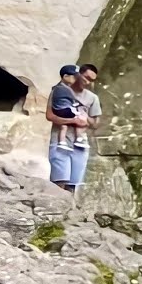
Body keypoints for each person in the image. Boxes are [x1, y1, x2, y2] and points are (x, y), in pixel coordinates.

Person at [46, 63, 102, 193]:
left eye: (91, 80)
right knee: (59, 182)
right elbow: (49, 115)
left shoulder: (92, 98)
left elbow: (95, 124)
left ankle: (68, 206)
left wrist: (85, 117)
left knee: (72, 185)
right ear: (78, 75)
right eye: (86, 77)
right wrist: (72, 120)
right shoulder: (58, 91)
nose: (87, 82)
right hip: (59, 141)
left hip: (80, 145)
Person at [50, 65, 89, 151]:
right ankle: (79, 138)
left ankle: (63, 142)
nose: (76, 79)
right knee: (82, 119)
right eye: (74, 77)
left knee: (64, 126)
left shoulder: (60, 88)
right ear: (65, 76)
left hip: (63, 110)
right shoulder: (64, 89)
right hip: (65, 110)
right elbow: (72, 101)